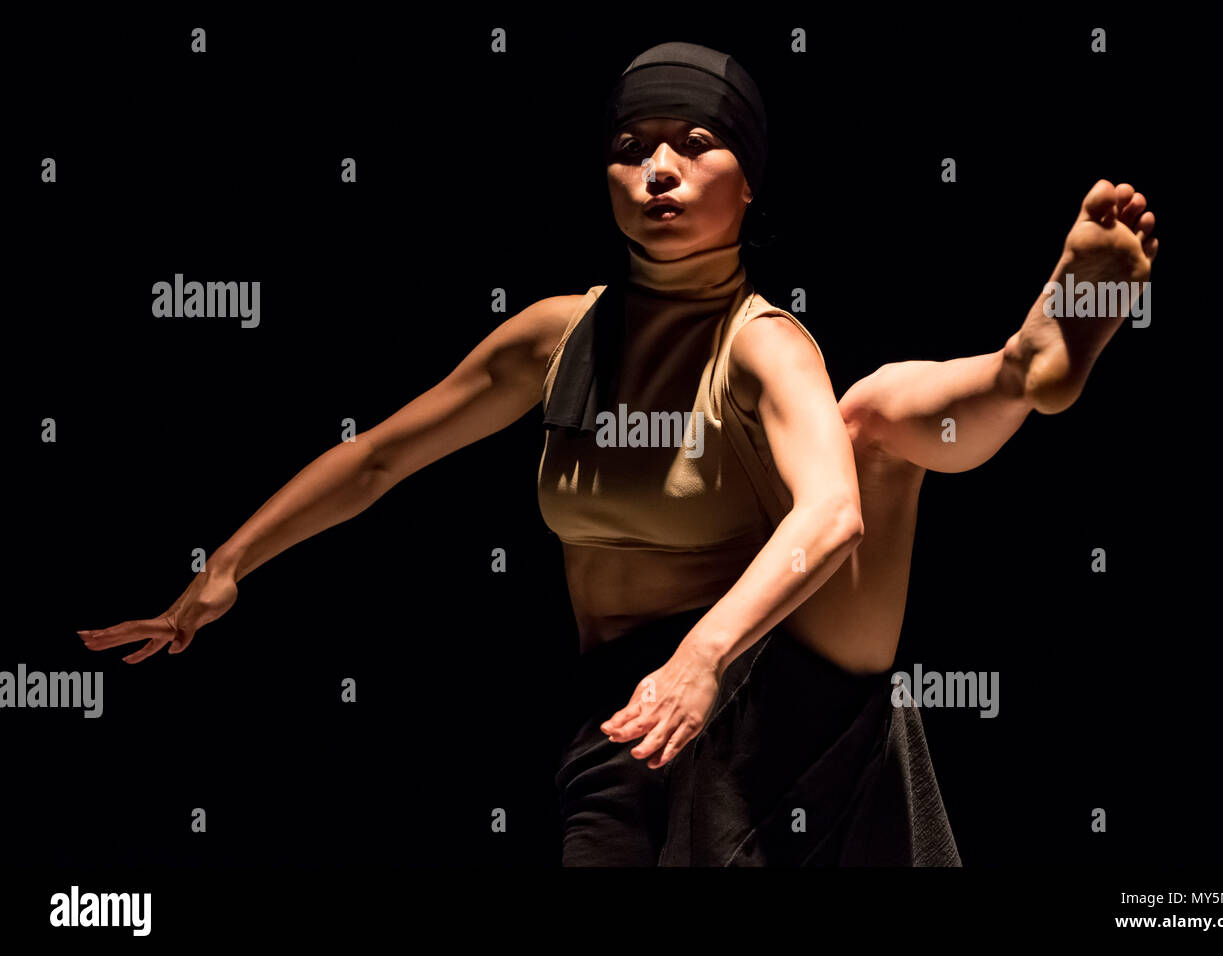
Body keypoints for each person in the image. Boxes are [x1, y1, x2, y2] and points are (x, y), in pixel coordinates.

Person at [77, 41, 1157, 867]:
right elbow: (375, 460)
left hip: (779, 672)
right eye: (633, 145)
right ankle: (1021, 371)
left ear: (749, 181)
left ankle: (1027, 366)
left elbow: (832, 517)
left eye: (696, 143)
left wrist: (705, 658)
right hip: (625, 705)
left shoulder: (765, 342)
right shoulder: (555, 337)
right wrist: (225, 565)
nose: (660, 168)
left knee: (864, 419)